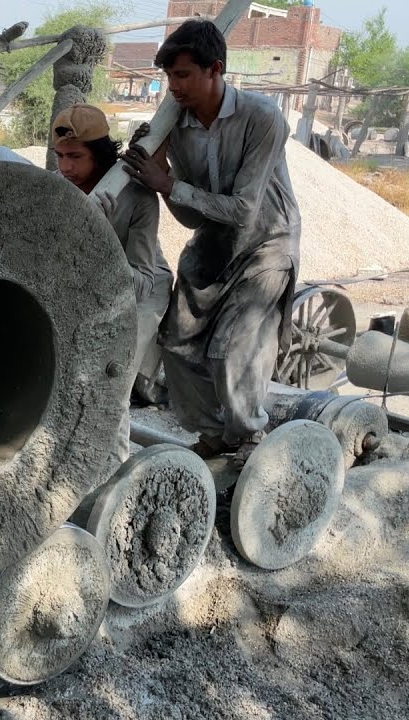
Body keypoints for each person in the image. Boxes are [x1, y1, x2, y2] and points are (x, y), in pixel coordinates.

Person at [121, 19, 300, 460]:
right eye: (169, 77)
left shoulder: (262, 118)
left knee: (230, 348)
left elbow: (243, 209)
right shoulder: (176, 127)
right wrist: (159, 173)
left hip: (266, 242)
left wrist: (170, 184)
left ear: (215, 69)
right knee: (176, 344)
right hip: (213, 242)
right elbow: (187, 217)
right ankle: (214, 433)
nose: (174, 87)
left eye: (182, 75)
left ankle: (249, 435)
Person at [52, 104, 172, 408]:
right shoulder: (58, 188)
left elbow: (141, 285)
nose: (66, 168)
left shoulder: (139, 198)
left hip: (140, 292)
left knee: (114, 378)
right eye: (61, 156)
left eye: (76, 157)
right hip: (85, 286)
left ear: (100, 154)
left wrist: (98, 238)